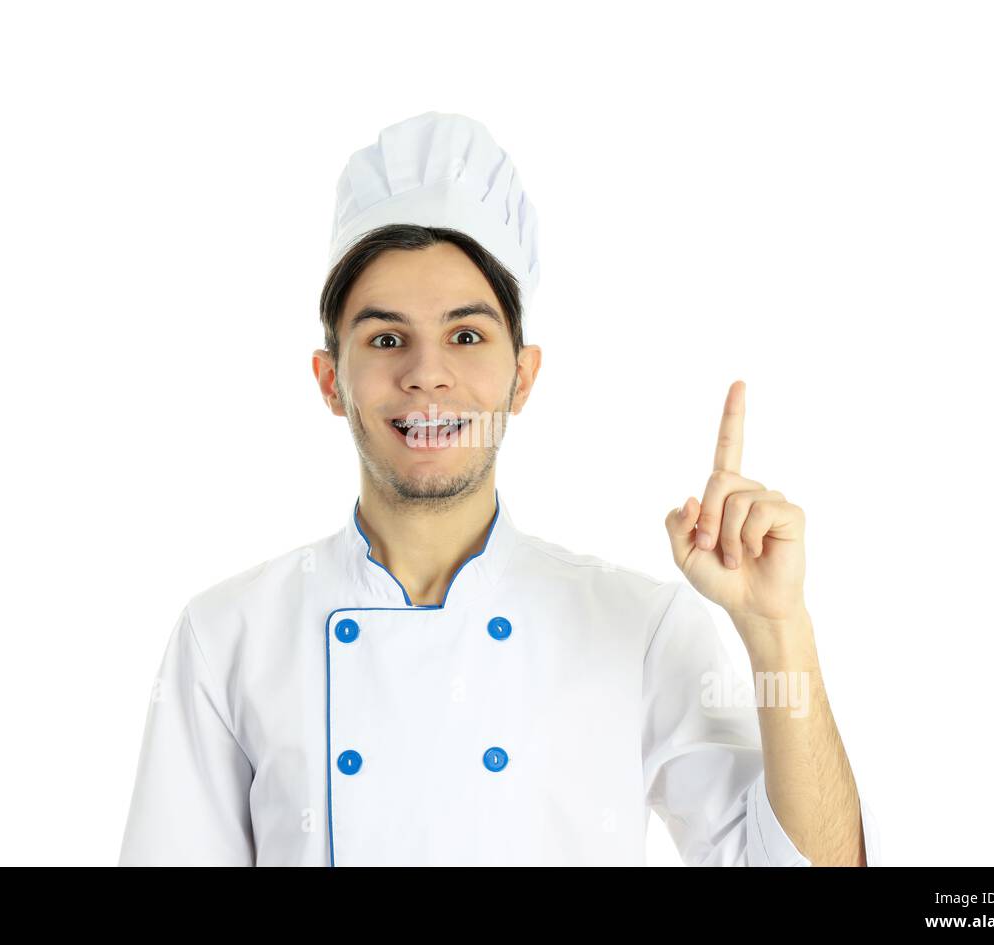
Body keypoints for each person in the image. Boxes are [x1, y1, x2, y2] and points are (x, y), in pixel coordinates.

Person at [117, 111, 880, 866]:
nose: (427, 375)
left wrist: (779, 628)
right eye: (386, 339)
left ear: (523, 377)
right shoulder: (226, 638)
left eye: (466, 336)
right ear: (330, 381)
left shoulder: (640, 630)